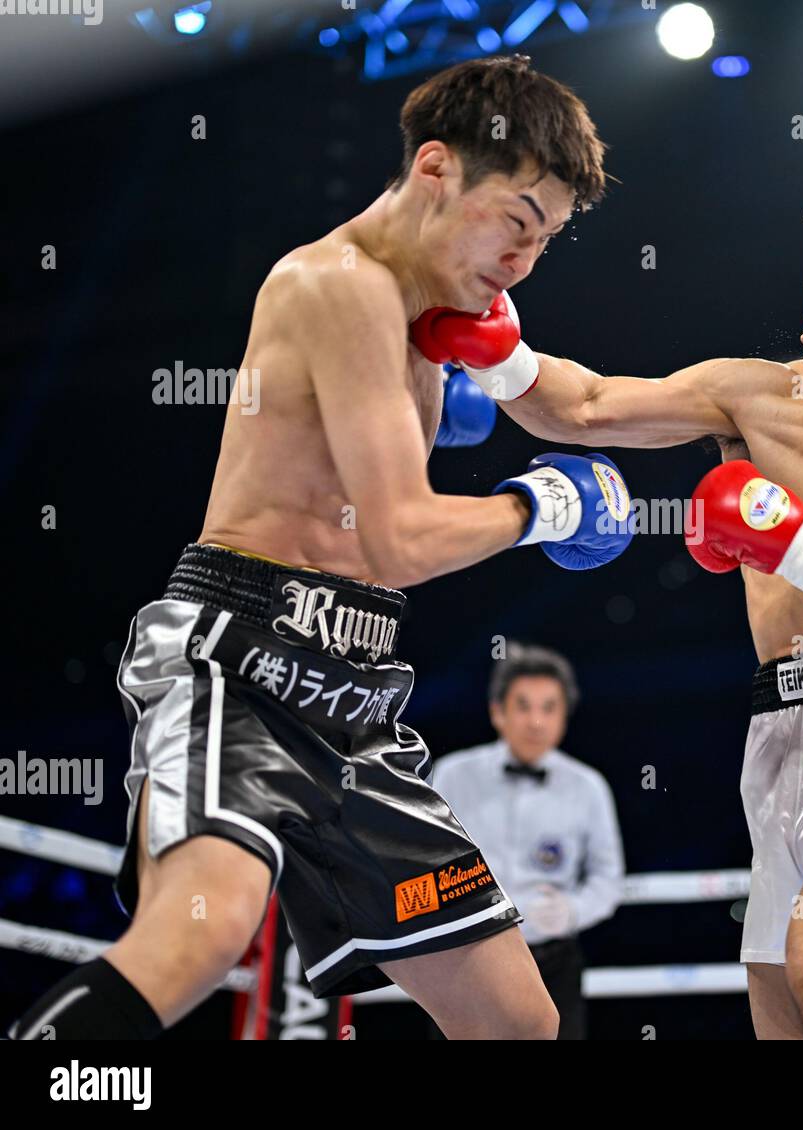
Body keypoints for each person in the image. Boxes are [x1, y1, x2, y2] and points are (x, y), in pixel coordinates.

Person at [7, 55, 633, 1042]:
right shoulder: (338, 285)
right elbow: (396, 536)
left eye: (545, 241)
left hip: (355, 701)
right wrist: (541, 506)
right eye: (516, 221)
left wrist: (760, 406)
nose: (523, 261)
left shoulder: (430, 324)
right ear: (436, 170)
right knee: (199, 934)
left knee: (518, 1018)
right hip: (239, 657)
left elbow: (592, 404)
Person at [431, 170, 803, 1039]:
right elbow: (588, 406)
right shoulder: (754, 398)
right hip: (777, 732)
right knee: (783, 1017)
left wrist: (800, 550)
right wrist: (498, 351)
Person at [429, 644, 624, 1039]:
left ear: (564, 716)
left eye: (549, 707)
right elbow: (423, 860)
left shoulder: (588, 787)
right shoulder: (452, 775)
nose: (536, 721)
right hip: (466, 961)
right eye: (524, 706)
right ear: (497, 711)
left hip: (552, 961)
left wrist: (572, 911)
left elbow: (608, 878)